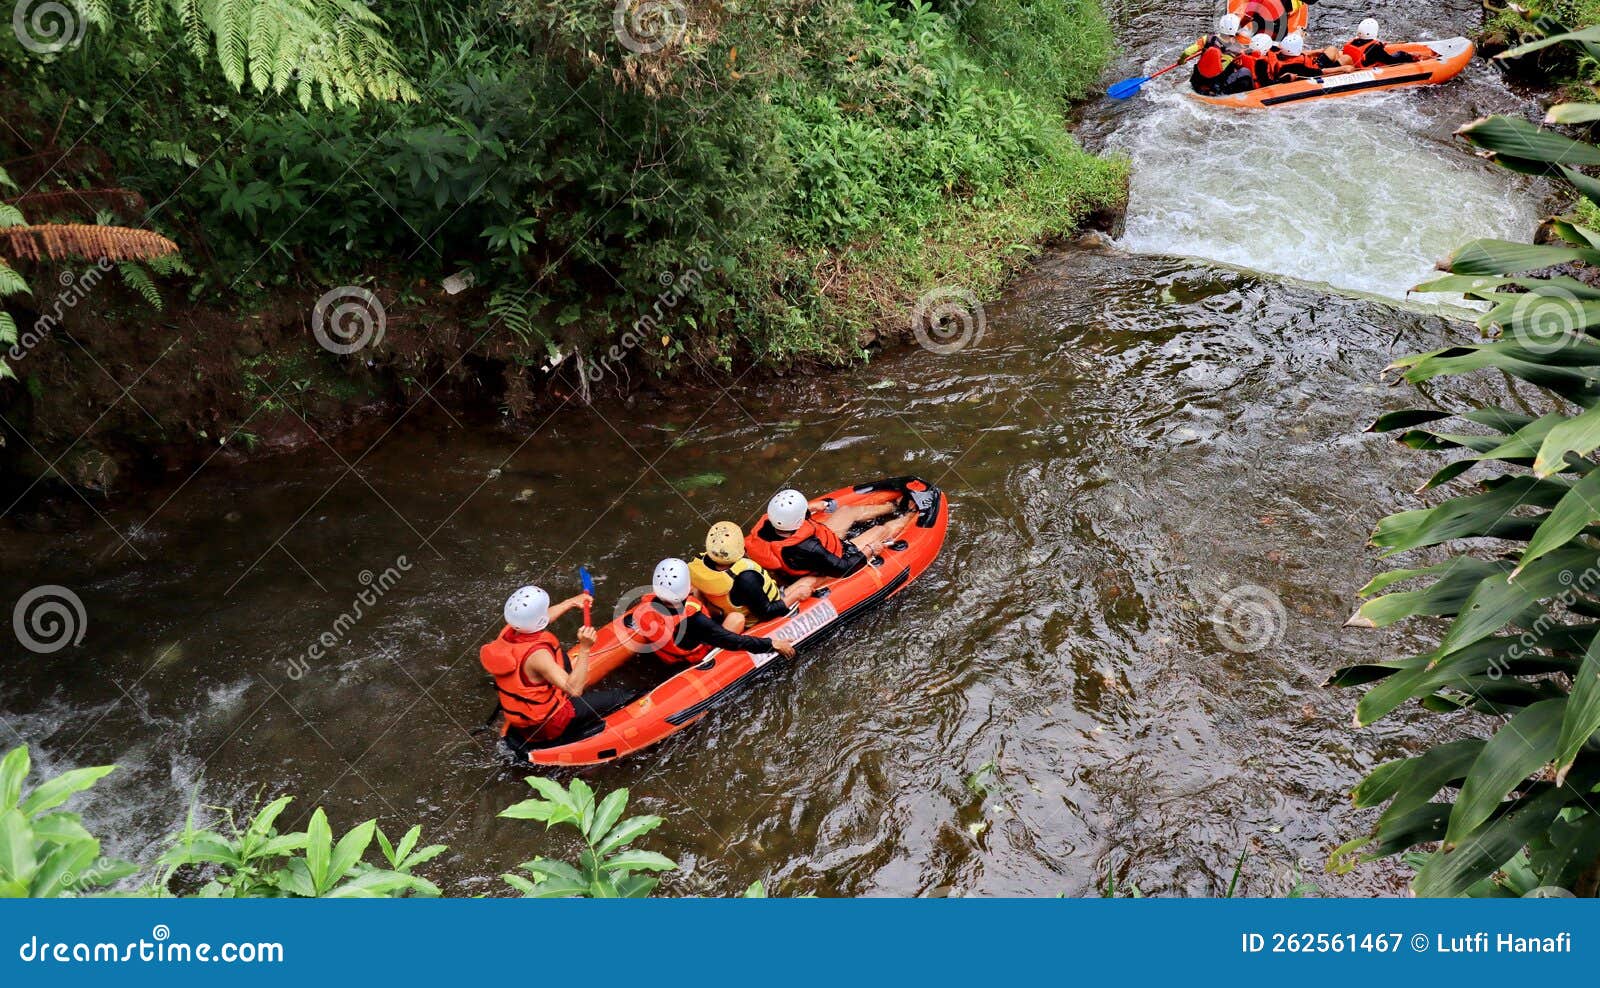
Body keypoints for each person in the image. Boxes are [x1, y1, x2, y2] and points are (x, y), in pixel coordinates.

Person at [479, 585, 634, 754]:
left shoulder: (510, 631)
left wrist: (570, 603)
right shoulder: (538, 656)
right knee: (622, 696)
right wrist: (585, 647)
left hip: (525, 719)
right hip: (550, 723)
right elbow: (574, 690)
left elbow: (542, 619)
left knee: (563, 660)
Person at [622, 558, 798, 663]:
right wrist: (771, 644)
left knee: (700, 594)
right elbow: (734, 641)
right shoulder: (695, 621)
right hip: (696, 652)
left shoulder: (648, 602)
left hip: (668, 648)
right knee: (737, 618)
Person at [745, 488, 913, 581]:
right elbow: (844, 569)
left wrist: (811, 507)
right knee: (880, 531)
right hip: (825, 560)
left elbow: (792, 521)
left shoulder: (769, 523)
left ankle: (891, 507)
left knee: (847, 511)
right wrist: (869, 549)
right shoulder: (809, 548)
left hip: (818, 540)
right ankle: (909, 515)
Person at [689, 521, 817, 633]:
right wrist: (796, 595)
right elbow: (767, 613)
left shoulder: (700, 562)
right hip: (750, 620)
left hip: (722, 611)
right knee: (812, 580)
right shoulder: (746, 577)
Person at [1186, 14, 1243, 95]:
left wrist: (1181, 60)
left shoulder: (1207, 39)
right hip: (1214, 87)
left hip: (1196, 82)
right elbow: (1220, 68)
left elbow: (1187, 52)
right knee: (1243, 71)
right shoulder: (1235, 49)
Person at [1343, 18, 1416, 68]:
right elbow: (1390, 61)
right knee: (1401, 54)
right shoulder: (1375, 48)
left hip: (1357, 63)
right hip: (1365, 67)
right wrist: (1406, 55)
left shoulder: (1353, 41)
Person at [1271, 32, 1341, 80]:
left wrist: (1312, 52)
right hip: (1318, 68)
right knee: (1344, 57)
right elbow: (1320, 72)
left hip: (1314, 65)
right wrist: (1343, 69)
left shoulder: (1279, 53)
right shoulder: (1298, 66)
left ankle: (1337, 61)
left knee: (1333, 50)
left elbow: (1296, 54)